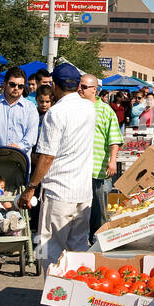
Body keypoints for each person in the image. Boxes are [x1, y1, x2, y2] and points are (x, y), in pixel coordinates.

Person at [19, 63, 96, 266]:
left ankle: (51, 296)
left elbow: (47, 157)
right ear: (78, 84)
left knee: (50, 250)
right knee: (78, 249)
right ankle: (76, 294)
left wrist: (31, 188)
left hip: (59, 191)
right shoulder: (89, 107)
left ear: (54, 85)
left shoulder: (56, 113)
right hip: (83, 191)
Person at [81, 74, 122, 242]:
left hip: (99, 167)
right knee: (82, 210)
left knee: (101, 210)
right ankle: (83, 240)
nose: (80, 89)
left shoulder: (105, 110)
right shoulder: (76, 107)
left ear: (94, 89)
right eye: (80, 85)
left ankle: (99, 242)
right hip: (79, 169)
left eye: (84, 87)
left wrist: (113, 161)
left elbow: (114, 139)